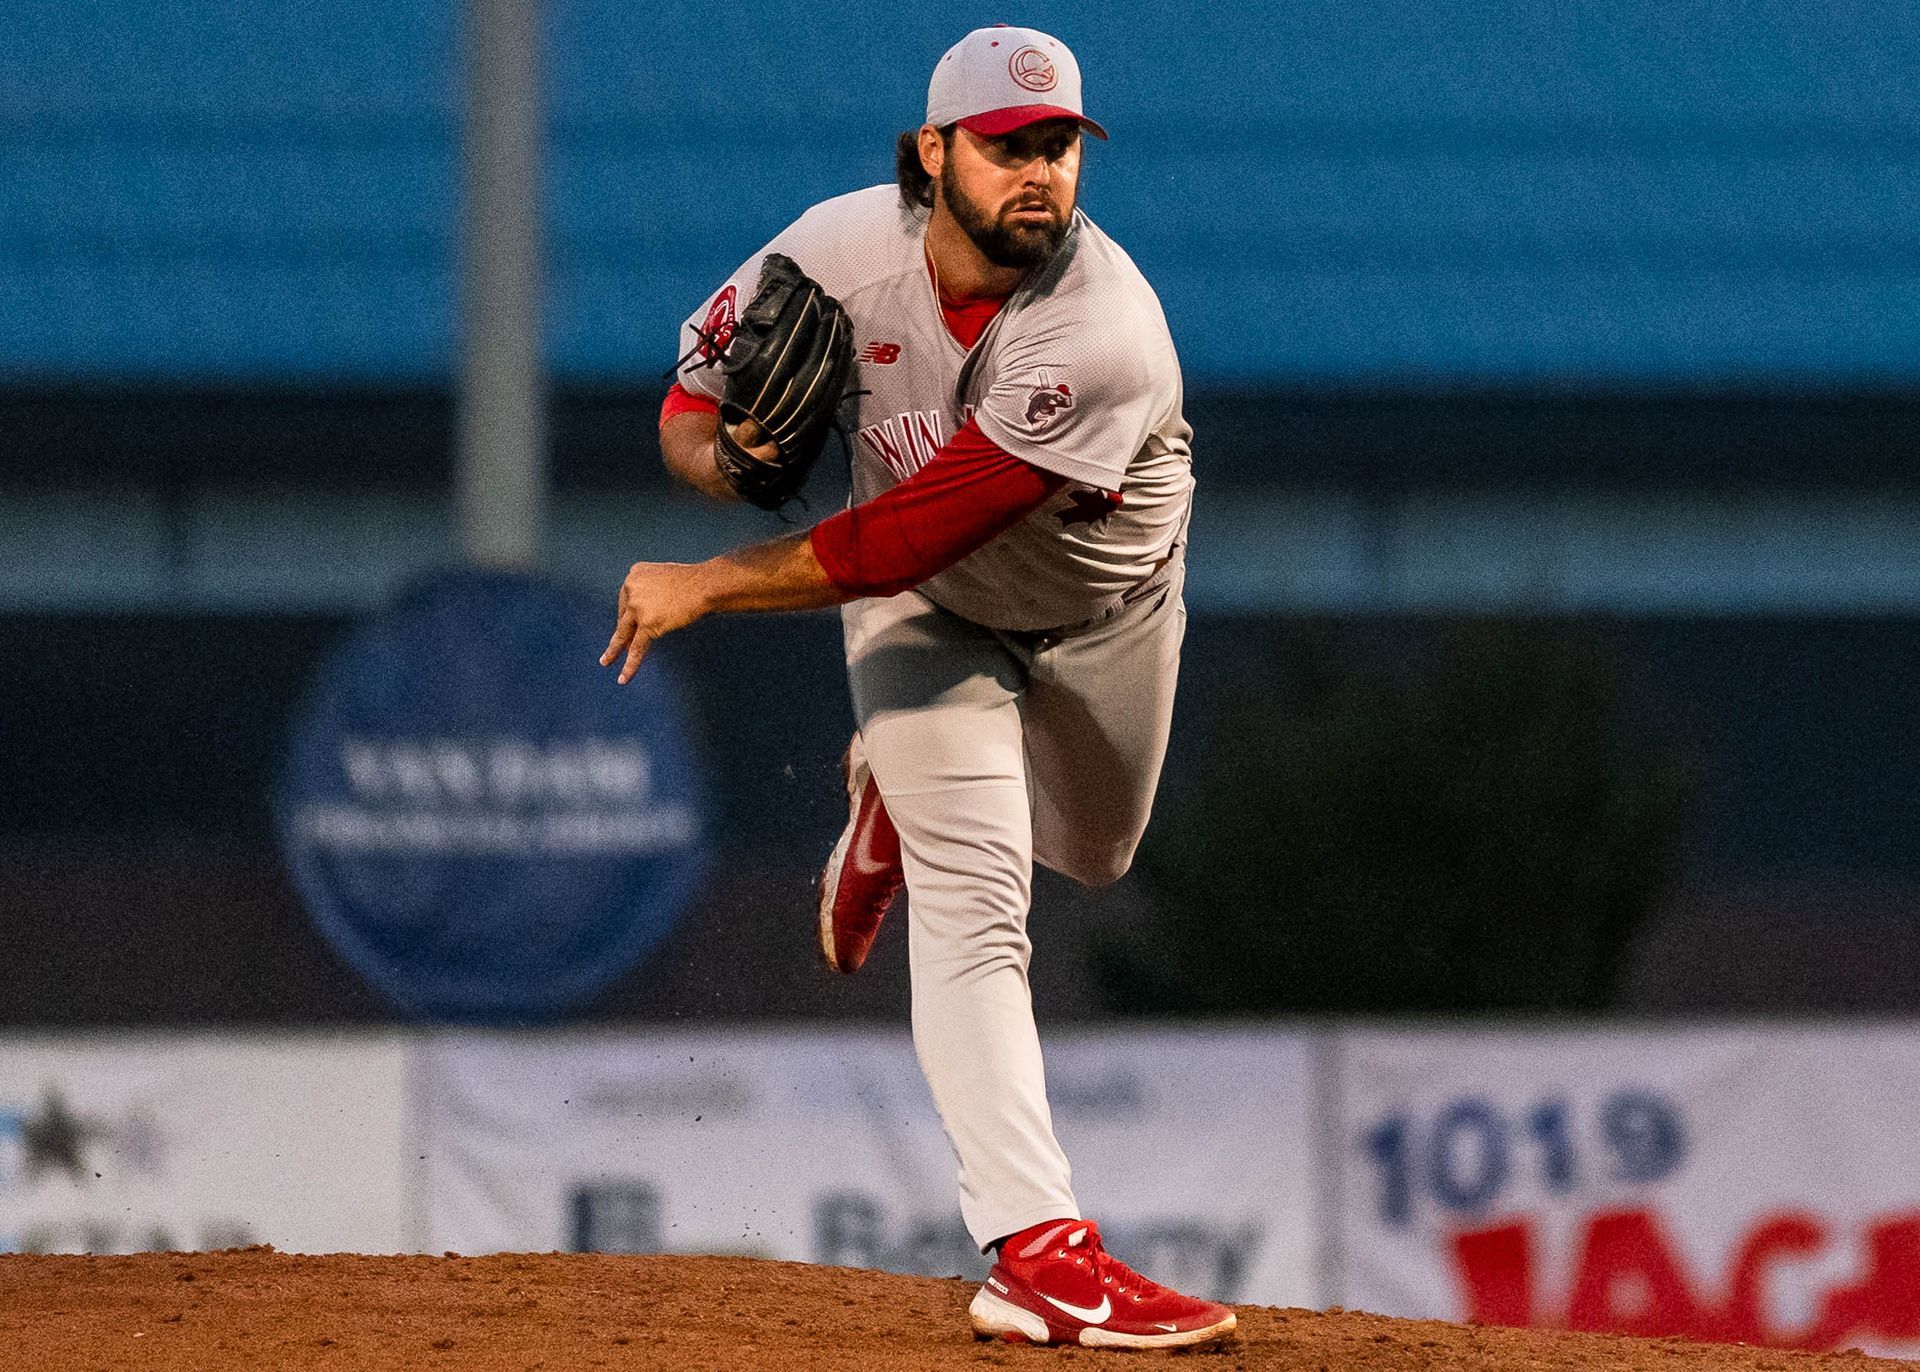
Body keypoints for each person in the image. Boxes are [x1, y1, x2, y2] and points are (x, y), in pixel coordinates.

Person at [600, 24, 1233, 1350]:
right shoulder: (834, 252)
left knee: (1097, 852)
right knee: (980, 898)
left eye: (1058, 146)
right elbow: (688, 402)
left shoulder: (1103, 331)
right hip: (925, 618)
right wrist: (730, 465)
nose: (1040, 173)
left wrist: (708, 580)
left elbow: (905, 532)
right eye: (1007, 146)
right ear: (932, 152)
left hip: (1103, 613)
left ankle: (887, 797)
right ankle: (1039, 1253)